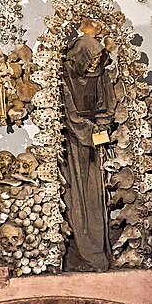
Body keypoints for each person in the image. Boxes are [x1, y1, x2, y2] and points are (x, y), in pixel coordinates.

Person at [61, 31, 115, 271]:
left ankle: (98, 250)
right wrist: (89, 132)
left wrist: (101, 127)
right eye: (90, 60)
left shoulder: (99, 74)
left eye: (97, 60)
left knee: (95, 198)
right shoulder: (65, 76)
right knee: (77, 200)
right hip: (74, 146)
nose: (94, 65)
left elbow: (107, 105)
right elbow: (70, 115)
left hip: (95, 145)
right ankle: (81, 253)